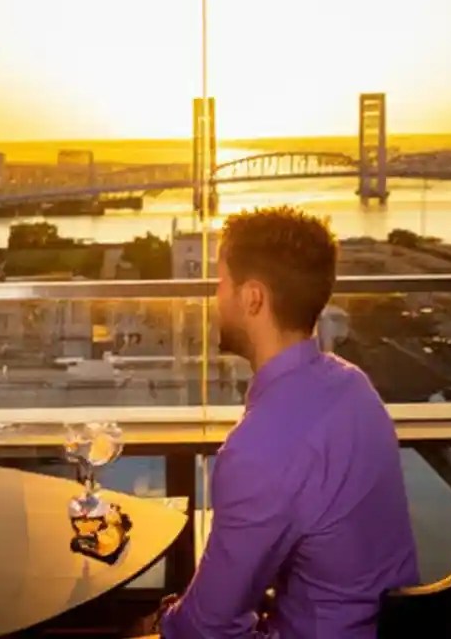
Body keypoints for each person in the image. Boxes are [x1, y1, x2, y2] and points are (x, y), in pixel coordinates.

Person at [156, 207, 418, 639]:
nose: (215, 298)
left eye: (221, 283)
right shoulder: (351, 385)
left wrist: (159, 621)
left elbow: (207, 627)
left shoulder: (260, 448)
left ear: (253, 298)